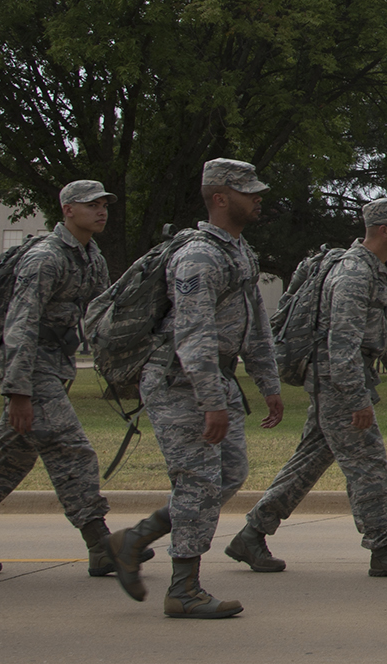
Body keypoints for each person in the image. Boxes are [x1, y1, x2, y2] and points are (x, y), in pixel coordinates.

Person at [0, 180, 143, 580]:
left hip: (54, 365)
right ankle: (102, 547)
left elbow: (99, 317)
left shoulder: (91, 256)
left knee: (6, 460)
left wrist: (127, 366)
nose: (101, 211)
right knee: (73, 449)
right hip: (31, 368)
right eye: (91, 205)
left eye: (104, 205)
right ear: (67, 210)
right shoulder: (45, 258)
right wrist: (18, 391)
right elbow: (20, 324)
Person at [105, 159, 285, 619]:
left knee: (229, 475)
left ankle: (136, 538)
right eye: (249, 191)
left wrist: (268, 382)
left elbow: (257, 322)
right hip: (178, 380)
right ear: (221, 198)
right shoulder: (198, 256)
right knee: (200, 481)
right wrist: (210, 400)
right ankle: (183, 589)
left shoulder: (239, 251)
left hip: (216, 378)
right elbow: (192, 333)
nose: (258, 197)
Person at [229, 198, 387, 577]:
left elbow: (386, 331)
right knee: (368, 464)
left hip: (339, 379)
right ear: (383, 230)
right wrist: (355, 398)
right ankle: (383, 548)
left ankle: (252, 534)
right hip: (337, 381)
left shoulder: (380, 269)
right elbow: (341, 343)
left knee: (308, 462)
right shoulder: (353, 274)